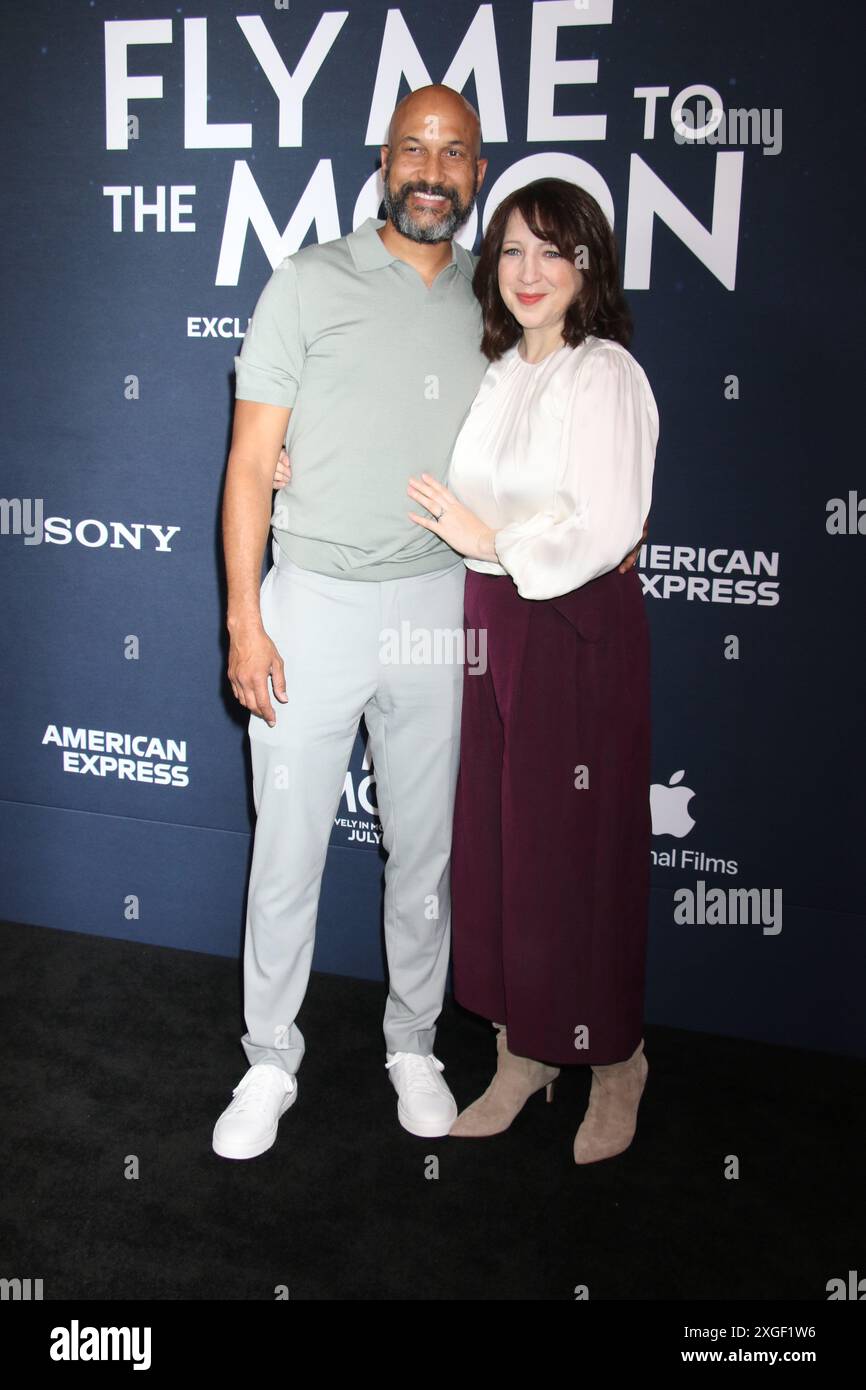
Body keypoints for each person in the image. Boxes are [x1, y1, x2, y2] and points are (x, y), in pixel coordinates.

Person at [213, 84, 492, 1159]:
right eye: (413, 148)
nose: (432, 168)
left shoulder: (498, 300)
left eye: (454, 151)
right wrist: (245, 618)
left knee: (422, 851)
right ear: (384, 162)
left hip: (437, 602)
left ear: (475, 172)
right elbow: (247, 463)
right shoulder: (307, 281)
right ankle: (268, 1059)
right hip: (311, 600)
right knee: (286, 849)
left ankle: (412, 1044)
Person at [404, 177, 658, 1164]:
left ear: (586, 264)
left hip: (572, 628)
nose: (527, 271)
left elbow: (600, 526)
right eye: (510, 251)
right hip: (491, 618)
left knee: (578, 849)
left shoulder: (606, 375)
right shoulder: (501, 369)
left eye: (550, 251)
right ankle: (522, 1050)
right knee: (502, 843)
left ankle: (612, 1057)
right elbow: (445, 484)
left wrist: (493, 537)